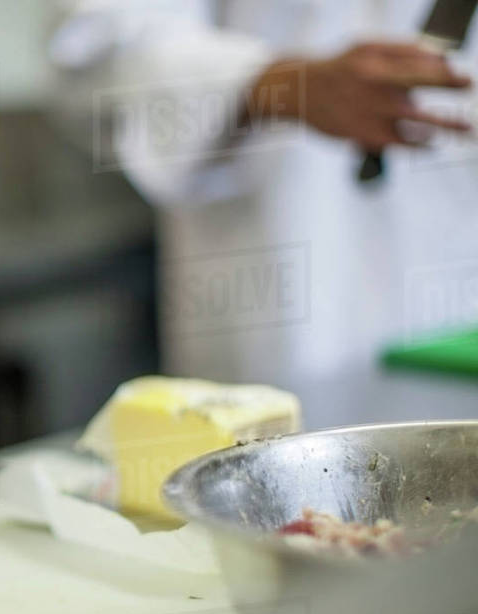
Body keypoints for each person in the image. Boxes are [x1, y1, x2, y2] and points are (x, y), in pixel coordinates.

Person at [51, 0, 478, 426]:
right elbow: (93, 52)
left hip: (452, 319)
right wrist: (281, 84)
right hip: (274, 293)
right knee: (259, 455)